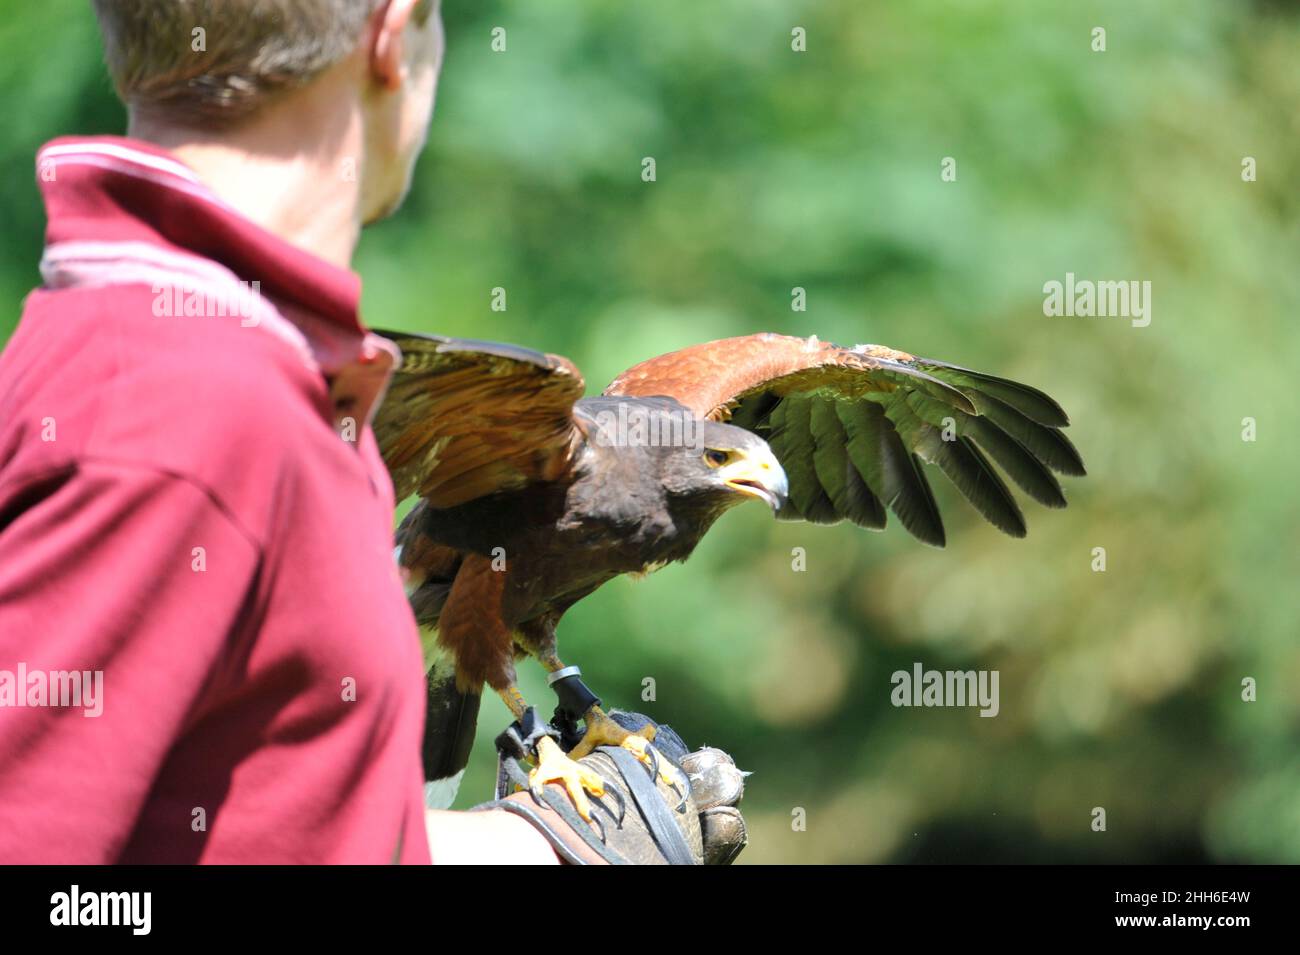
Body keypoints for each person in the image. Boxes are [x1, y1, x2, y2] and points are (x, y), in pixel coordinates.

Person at [0, 0, 744, 865]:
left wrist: (535, 847)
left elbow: (231, 837)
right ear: (396, 32)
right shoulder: (182, 410)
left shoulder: (211, 364)